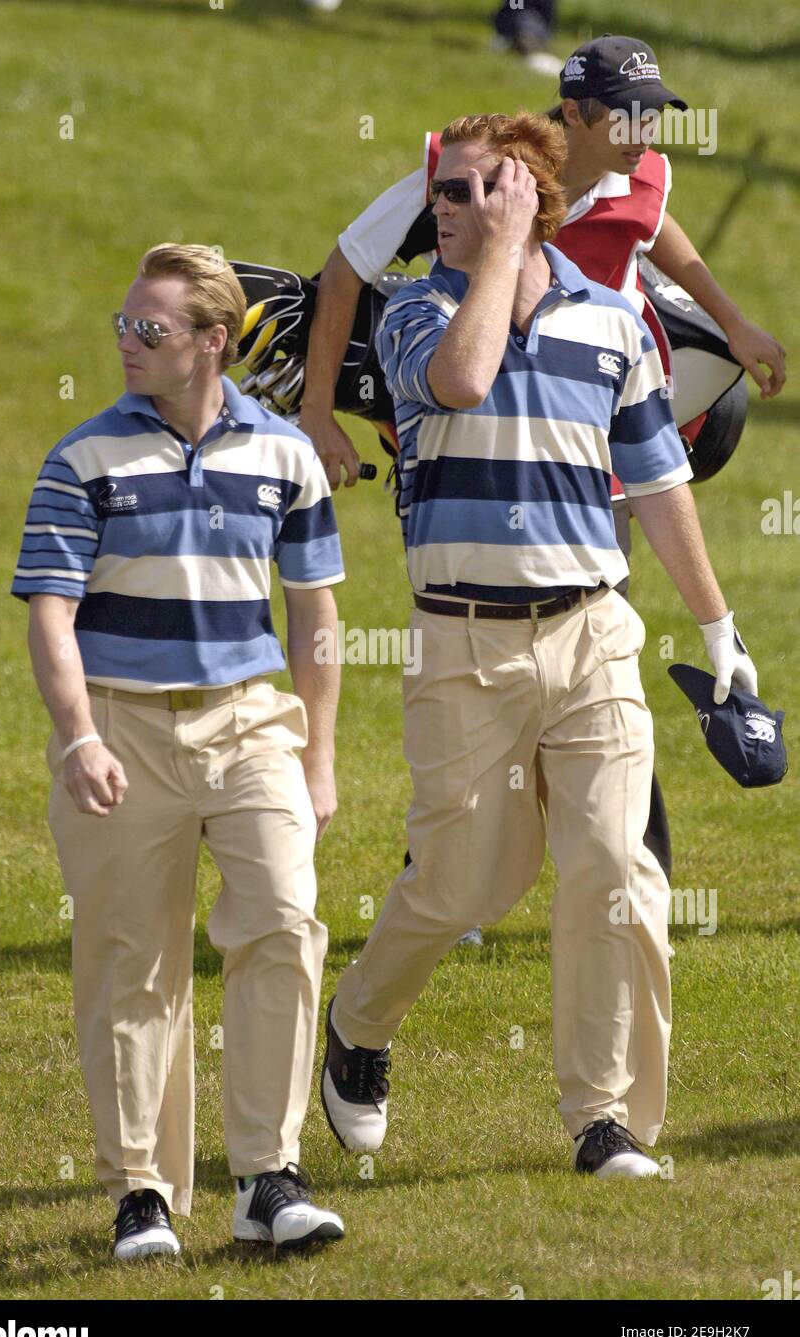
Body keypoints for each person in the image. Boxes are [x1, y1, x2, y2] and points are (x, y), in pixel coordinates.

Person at [319, 114, 760, 1178]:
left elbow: (655, 485)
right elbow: (465, 380)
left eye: (479, 191)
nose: (452, 208)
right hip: (461, 644)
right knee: (459, 888)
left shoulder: (610, 325)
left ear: (535, 199)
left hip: (590, 632)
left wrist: (717, 629)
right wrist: (504, 251)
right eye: (448, 193)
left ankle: (600, 1117)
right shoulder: (414, 315)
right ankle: (358, 1028)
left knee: (615, 870)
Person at [297, 33, 785, 883]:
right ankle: (447, 879)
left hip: (593, 468)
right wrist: (316, 412)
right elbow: (342, 271)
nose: (644, 130)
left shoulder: (644, 176)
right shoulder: (469, 176)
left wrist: (731, 320)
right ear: (576, 114)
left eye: (651, 112)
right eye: (628, 113)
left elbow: (652, 229)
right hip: (469, 464)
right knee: (485, 667)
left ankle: (633, 873)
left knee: (600, 668)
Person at [11, 244, 346, 1257]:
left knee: (284, 924)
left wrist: (319, 756)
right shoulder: (81, 460)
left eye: (147, 330)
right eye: (122, 324)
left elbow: (314, 614)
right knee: (130, 963)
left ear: (212, 343)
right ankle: (140, 1195)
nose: (125, 342)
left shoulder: (283, 453)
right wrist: (77, 738)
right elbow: (51, 619)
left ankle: (265, 1179)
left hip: (250, 722)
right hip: (119, 726)